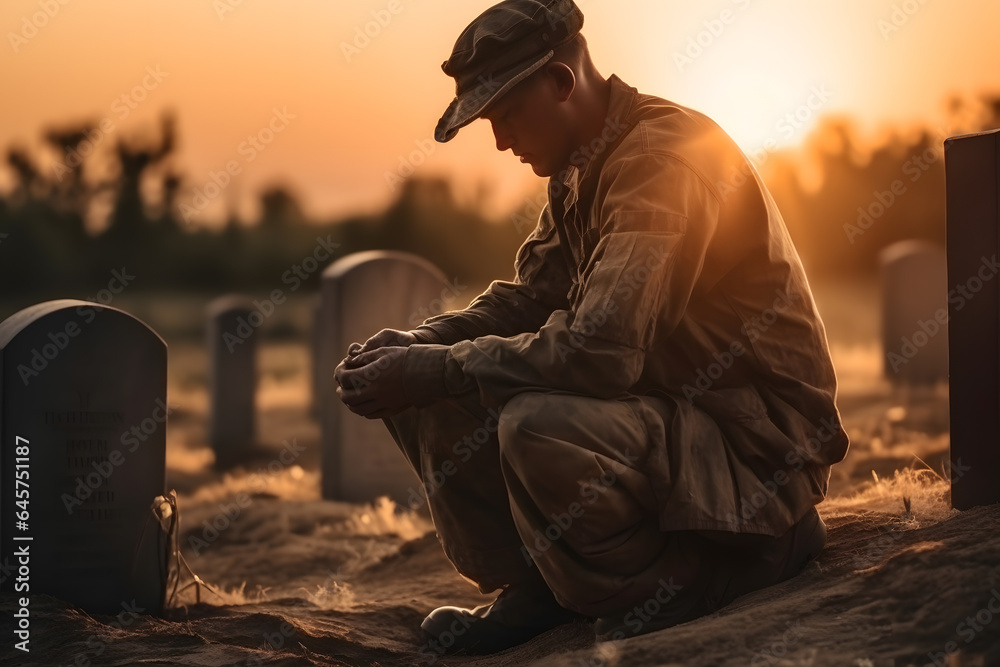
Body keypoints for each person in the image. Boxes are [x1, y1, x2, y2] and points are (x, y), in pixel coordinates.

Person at [335, 0, 849, 655]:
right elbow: (528, 300)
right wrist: (421, 345)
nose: (499, 141)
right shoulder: (582, 164)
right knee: (430, 382)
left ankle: (719, 568)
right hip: (671, 412)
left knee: (532, 424)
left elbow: (602, 351)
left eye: (507, 114)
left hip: (754, 444)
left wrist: (441, 363)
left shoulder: (663, 162)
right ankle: (539, 584)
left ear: (559, 82)